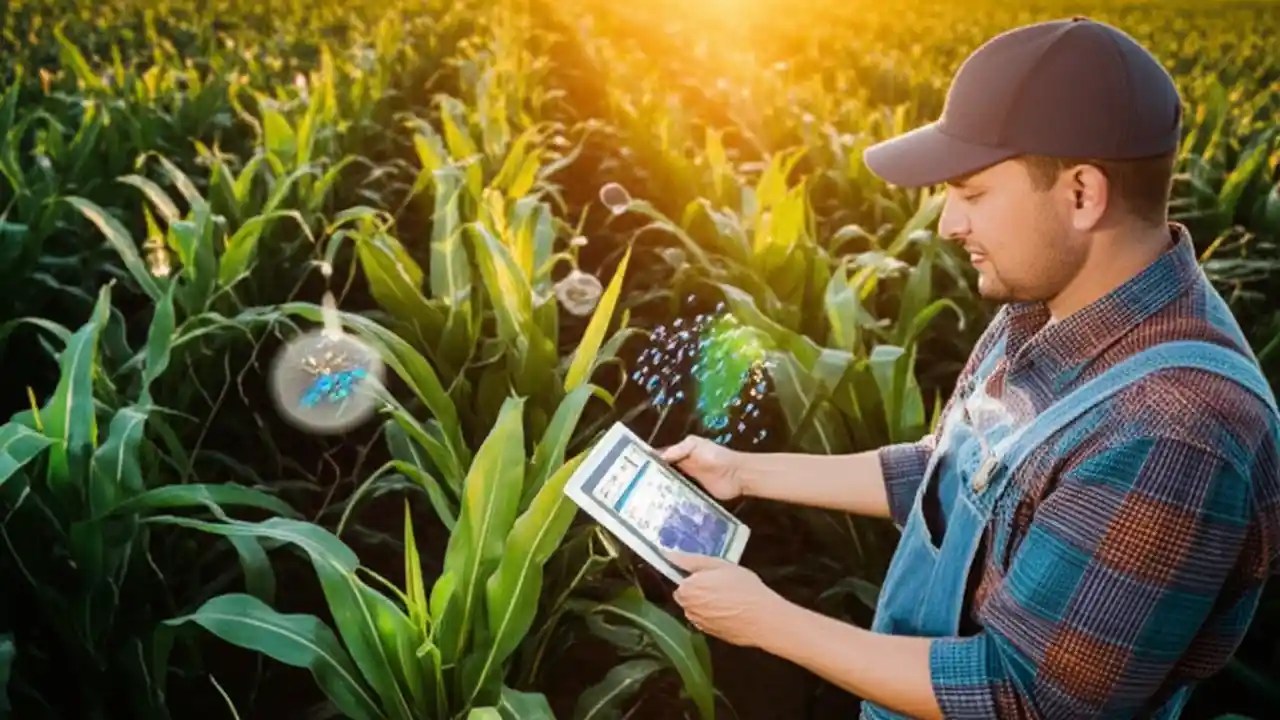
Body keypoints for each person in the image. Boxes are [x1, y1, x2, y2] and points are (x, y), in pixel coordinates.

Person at [659, 16, 1280, 720]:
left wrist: (769, 621)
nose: (947, 223)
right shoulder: (1051, 305)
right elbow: (952, 470)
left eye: (973, 193)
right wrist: (742, 471)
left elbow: (1023, 697)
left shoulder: (1173, 432)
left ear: (1082, 194)